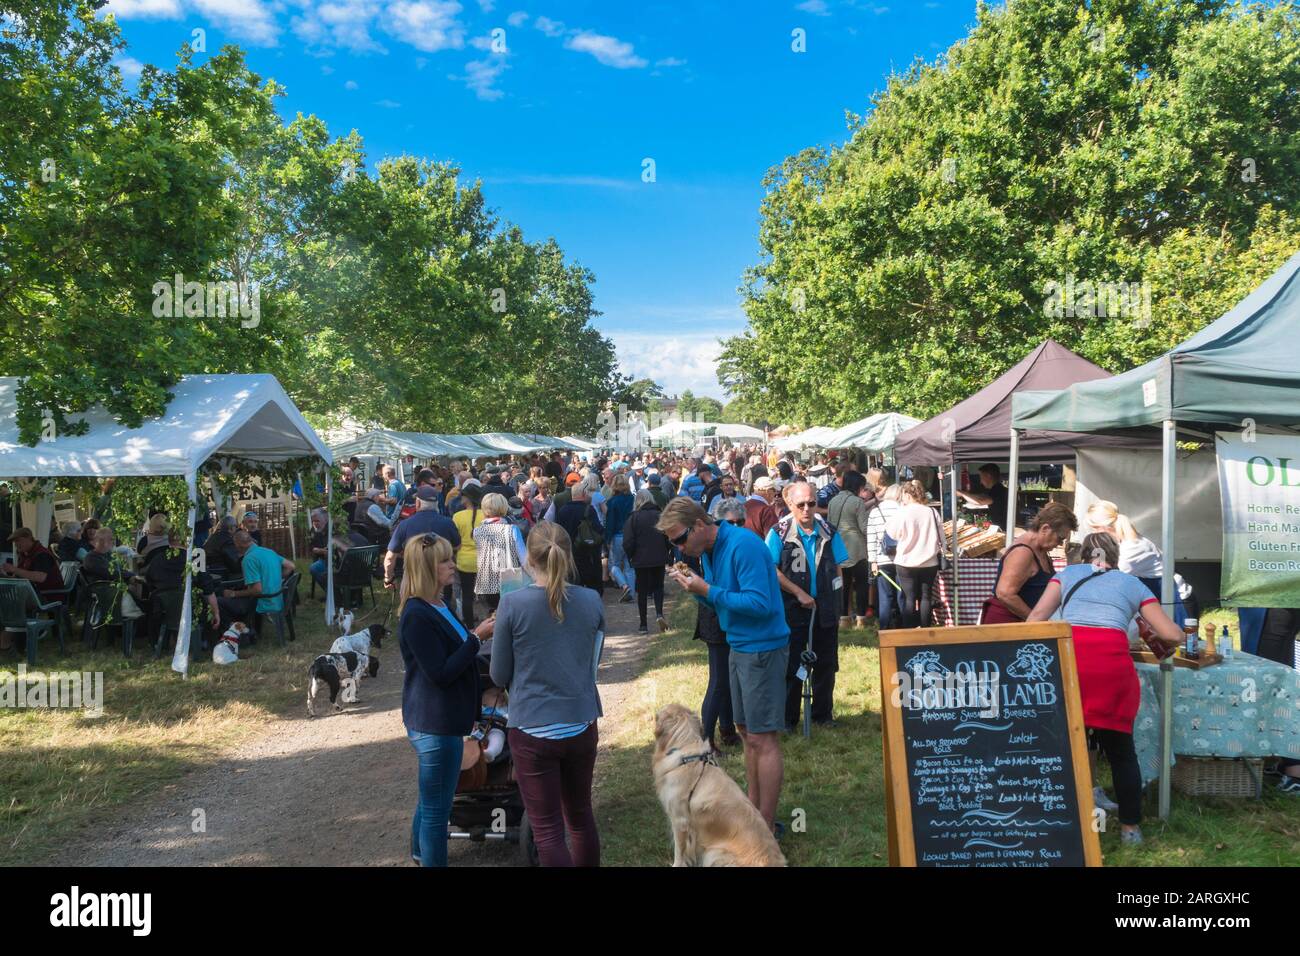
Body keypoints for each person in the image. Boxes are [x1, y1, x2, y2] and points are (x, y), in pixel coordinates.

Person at [1027, 532, 1183, 845]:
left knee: (1064, 749)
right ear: (1115, 556)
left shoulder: (1066, 574)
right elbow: (1173, 635)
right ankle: (1130, 830)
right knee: (1122, 753)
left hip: (1071, 666)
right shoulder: (1133, 584)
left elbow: (1034, 621)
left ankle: (1062, 819)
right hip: (1112, 668)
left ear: (1084, 554)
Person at [661, 498, 790, 833]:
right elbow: (721, 600)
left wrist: (709, 589)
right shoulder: (708, 550)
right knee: (748, 734)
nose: (679, 548)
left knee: (763, 739)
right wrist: (695, 589)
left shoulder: (743, 545)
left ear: (701, 523)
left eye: (680, 538)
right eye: (673, 543)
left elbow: (759, 603)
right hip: (739, 645)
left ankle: (765, 825)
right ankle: (754, 813)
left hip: (762, 648)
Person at [490, 522, 604, 866]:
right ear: (567, 555)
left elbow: (498, 673)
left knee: (548, 830)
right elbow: (592, 660)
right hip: (580, 722)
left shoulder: (513, 605)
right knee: (581, 817)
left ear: (529, 558)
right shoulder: (592, 600)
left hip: (533, 728)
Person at [399, 533, 493, 866]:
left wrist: (475, 641)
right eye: (444, 561)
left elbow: (457, 651)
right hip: (434, 724)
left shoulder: (439, 603)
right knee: (438, 813)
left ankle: (418, 852)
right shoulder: (416, 615)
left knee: (432, 798)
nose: (453, 564)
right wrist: (476, 639)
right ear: (427, 568)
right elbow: (439, 673)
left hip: (446, 720)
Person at [767, 481, 850, 729]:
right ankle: (788, 719)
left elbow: (839, 566)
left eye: (811, 503)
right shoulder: (778, 532)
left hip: (824, 610)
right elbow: (771, 570)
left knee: (826, 663)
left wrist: (836, 601)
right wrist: (798, 593)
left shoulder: (829, 530)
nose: (806, 509)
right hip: (792, 609)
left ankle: (822, 715)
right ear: (790, 504)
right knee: (791, 665)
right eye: (801, 504)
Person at [1086, 500, 1187, 624]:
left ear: (1104, 527)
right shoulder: (1124, 541)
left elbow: (1112, 580)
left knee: (1180, 641)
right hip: (1159, 597)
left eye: (1093, 528)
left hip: (1174, 602)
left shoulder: (1132, 548)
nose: (1092, 533)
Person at [980, 502, 1077, 624]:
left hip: (1022, 624)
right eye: (1060, 538)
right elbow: (1005, 593)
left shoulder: (1040, 550)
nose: (1060, 544)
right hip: (1006, 625)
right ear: (1045, 529)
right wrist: (1035, 620)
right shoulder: (1022, 552)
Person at [885, 480, 944, 628]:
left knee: (909, 598)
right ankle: (925, 629)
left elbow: (893, 534)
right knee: (926, 596)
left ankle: (909, 631)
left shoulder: (902, 512)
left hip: (906, 560)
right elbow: (941, 537)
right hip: (929, 561)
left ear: (907, 494)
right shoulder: (931, 511)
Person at [384, 486, 461, 593]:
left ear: (418, 503)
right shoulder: (448, 523)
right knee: (440, 607)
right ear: (437, 504)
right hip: (441, 580)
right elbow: (457, 547)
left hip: (414, 580)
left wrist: (388, 578)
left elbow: (390, 557)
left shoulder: (404, 525)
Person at [216, 531, 295, 633]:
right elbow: (291, 566)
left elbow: (257, 590)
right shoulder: (268, 551)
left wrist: (233, 594)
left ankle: (240, 635)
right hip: (277, 598)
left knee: (219, 602)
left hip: (262, 602)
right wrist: (272, 578)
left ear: (238, 545)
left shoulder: (248, 559)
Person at [828, 471, 873, 628]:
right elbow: (864, 527)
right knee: (861, 585)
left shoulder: (833, 501)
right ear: (857, 486)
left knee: (843, 585)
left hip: (838, 547)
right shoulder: (857, 502)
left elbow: (829, 524)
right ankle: (861, 619)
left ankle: (844, 619)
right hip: (856, 548)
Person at [622, 489, 669, 635]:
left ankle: (643, 624)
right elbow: (668, 535)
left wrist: (631, 555)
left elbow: (628, 541)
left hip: (640, 559)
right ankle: (659, 614)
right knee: (658, 587)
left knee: (642, 591)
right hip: (659, 557)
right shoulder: (660, 515)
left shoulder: (633, 518)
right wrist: (666, 551)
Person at [473, 492, 528, 613]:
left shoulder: (477, 531)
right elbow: (524, 559)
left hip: (488, 580)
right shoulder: (511, 529)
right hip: (510, 581)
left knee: (494, 613)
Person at [555, 482, 604, 593]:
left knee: (573, 585)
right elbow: (598, 529)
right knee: (592, 585)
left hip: (570, 554)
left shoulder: (563, 510)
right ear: (583, 494)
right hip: (588, 552)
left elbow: (559, 532)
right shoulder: (588, 510)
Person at [866, 483, 903, 629]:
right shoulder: (902, 511)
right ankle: (903, 627)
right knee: (902, 595)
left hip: (882, 560)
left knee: (885, 597)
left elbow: (871, 539)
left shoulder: (875, 512)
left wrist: (873, 561)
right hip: (902, 559)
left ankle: (884, 628)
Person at [451, 484, 485, 628]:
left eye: (463, 495)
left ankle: (470, 626)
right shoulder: (486, 515)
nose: (461, 497)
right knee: (489, 596)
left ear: (468, 498)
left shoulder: (458, 516)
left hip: (464, 561)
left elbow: (454, 540)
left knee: (467, 595)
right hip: (484, 559)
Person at [2, 528, 63, 598]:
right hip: (33, 594)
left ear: (29, 538)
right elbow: (19, 579)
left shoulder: (42, 554)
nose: (16, 544)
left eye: (18, 540)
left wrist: (14, 570)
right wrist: (3, 576)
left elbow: (41, 577)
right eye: (14, 542)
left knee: (6, 600)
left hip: (47, 597)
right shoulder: (26, 555)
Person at [604, 473, 636, 603]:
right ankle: (631, 593)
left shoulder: (612, 502)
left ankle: (624, 585)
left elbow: (610, 522)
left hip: (617, 535)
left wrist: (607, 539)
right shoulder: (632, 499)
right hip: (631, 535)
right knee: (629, 566)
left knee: (614, 564)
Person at [956, 463, 1011, 530]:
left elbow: (980, 501)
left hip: (1004, 529)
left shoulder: (997, 490)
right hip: (1001, 527)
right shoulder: (996, 488)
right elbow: (981, 496)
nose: (981, 481)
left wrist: (962, 493)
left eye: (981, 477)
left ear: (988, 476)